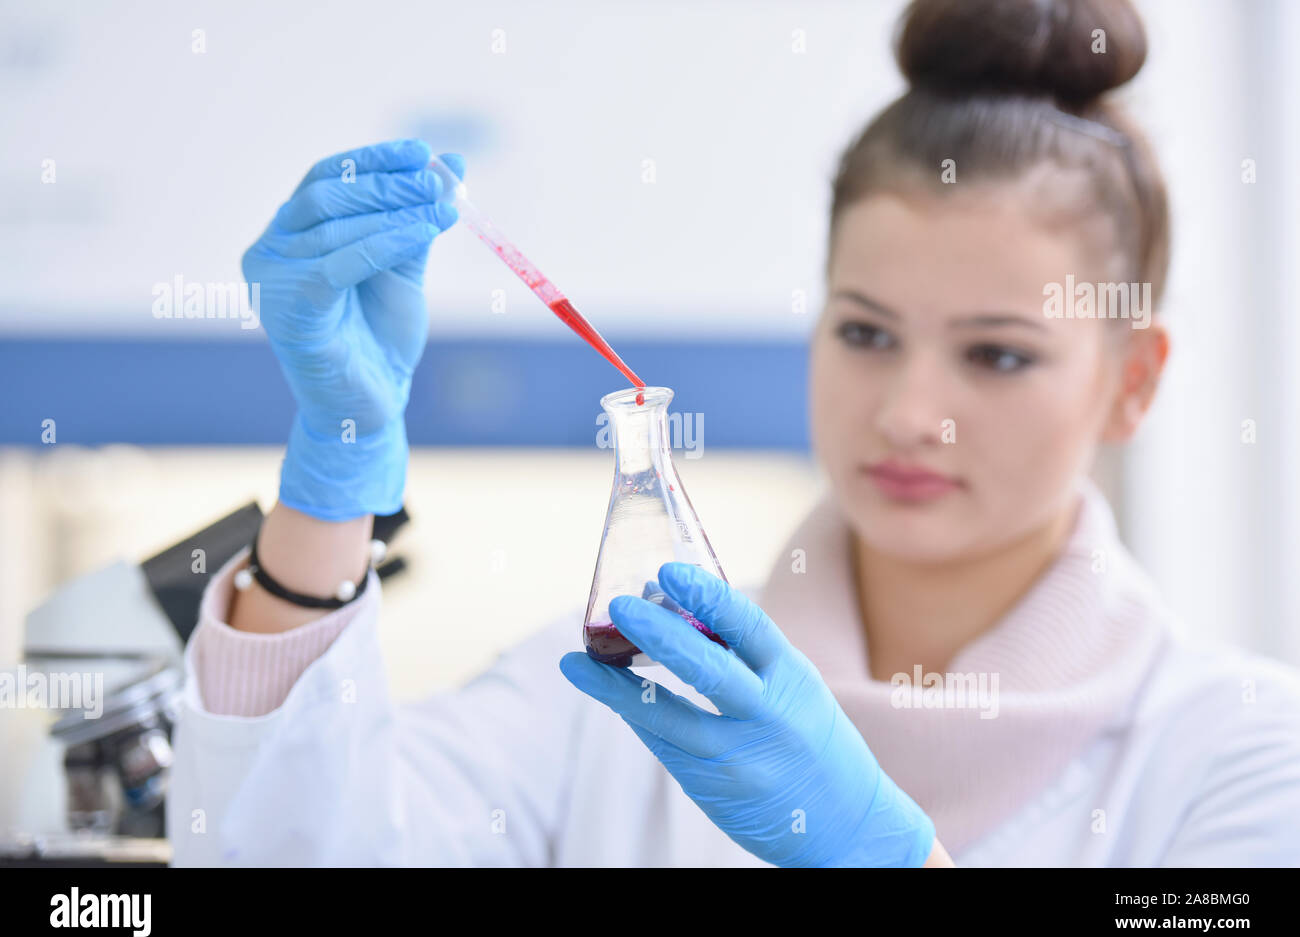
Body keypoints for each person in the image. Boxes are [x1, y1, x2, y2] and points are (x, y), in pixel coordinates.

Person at [168, 0, 1300, 867]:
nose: (910, 412)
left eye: (997, 353)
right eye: (865, 332)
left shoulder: (1240, 757)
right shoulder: (608, 692)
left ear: (1132, 382)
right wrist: (334, 478)